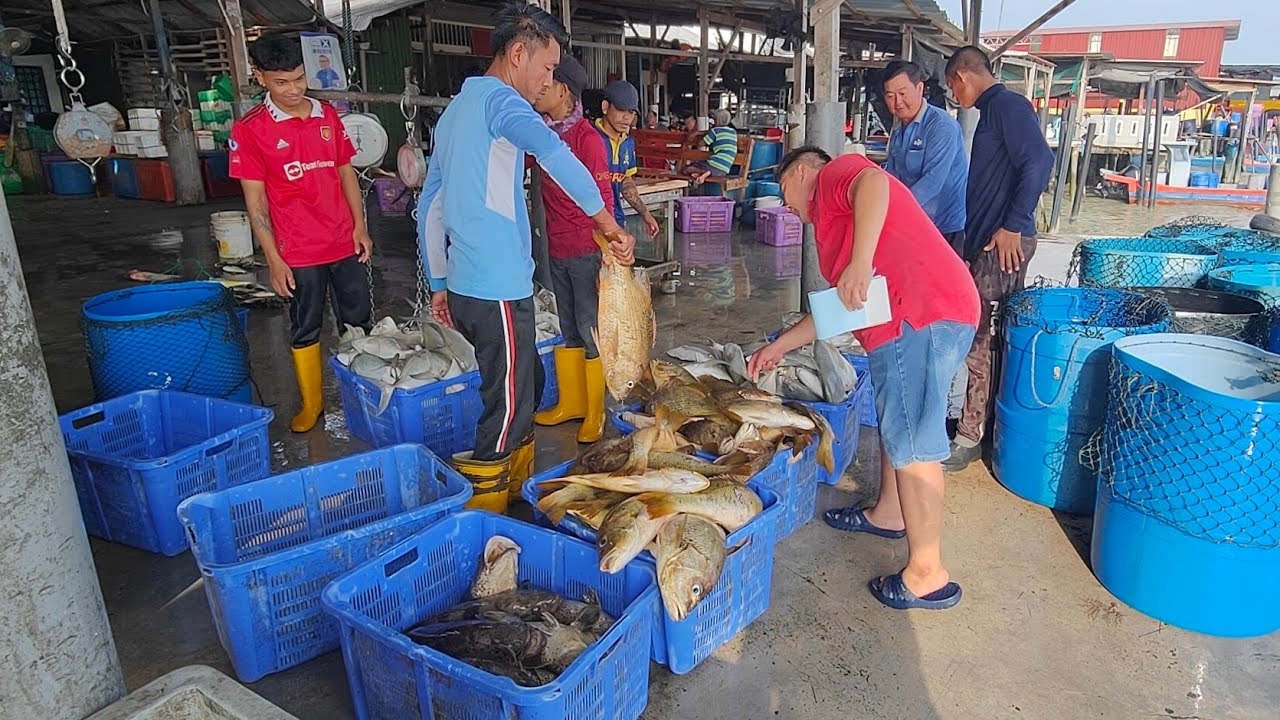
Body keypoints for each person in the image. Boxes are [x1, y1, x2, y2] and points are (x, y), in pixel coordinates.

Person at [417, 2, 636, 503]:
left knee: (521, 386)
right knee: (508, 406)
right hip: (496, 286)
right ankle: (486, 518)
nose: (548, 80)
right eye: (548, 68)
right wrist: (604, 220)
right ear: (519, 53)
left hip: (470, 286)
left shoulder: (457, 110)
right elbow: (557, 154)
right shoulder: (504, 103)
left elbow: (430, 203)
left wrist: (440, 282)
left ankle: (513, 495)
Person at [747, 146, 979, 610]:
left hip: (921, 314)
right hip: (920, 316)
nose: (789, 209)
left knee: (914, 444)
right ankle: (890, 512)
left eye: (785, 193)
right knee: (901, 429)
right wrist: (779, 347)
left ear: (800, 171)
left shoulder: (834, 176)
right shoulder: (838, 223)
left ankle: (927, 574)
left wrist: (860, 260)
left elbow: (873, 183)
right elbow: (841, 309)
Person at [229, 32, 372, 434]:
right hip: (298, 250)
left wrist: (360, 226)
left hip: (344, 240)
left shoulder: (327, 115)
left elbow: (345, 171)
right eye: (281, 82)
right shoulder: (250, 130)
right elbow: (255, 203)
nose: (292, 90)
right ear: (260, 77)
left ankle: (359, 399)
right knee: (305, 325)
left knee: (358, 323)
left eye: (298, 78)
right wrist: (273, 259)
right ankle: (312, 405)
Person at [942, 46, 1054, 472]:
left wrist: (1014, 223)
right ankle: (982, 425)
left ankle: (971, 435)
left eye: (953, 87)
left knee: (981, 340)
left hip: (1000, 244)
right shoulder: (994, 111)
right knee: (987, 335)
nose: (955, 96)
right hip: (986, 243)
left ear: (962, 76)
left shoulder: (1006, 105)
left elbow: (1040, 160)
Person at [528, 52, 614, 444]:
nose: (539, 88)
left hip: (585, 249)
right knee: (567, 329)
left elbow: (604, 197)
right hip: (556, 248)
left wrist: (610, 252)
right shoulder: (542, 134)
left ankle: (596, 412)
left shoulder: (587, 140)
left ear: (564, 89)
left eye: (547, 81)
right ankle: (572, 404)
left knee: (588, 327)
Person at [880, 60, 967, 248]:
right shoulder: (898, 129)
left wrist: (896, 211)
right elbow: (893, 175)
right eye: (890, 96)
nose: (898, 102)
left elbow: (933, 181)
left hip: (943, 227)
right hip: (913, 224)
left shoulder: (941, 126)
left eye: (903, 94)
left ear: (919, 88)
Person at [594, 80, 661, 240]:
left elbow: (625, 180)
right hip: (590, 226)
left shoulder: (628, 143)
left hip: (616, 221)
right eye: (621, 110)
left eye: (631, 112)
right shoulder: (589, 138)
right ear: (605, 107)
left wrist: (645, 213)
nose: (627, 118)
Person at [685, 108, 738, 186]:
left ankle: (702, 172)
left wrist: (702, 137)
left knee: (687, 169)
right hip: (725, 169)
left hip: (714, 164)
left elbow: (700, 144)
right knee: (701, 167)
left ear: (717, 120)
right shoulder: (733, 132)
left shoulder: (715, 131)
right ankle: (703, 174)